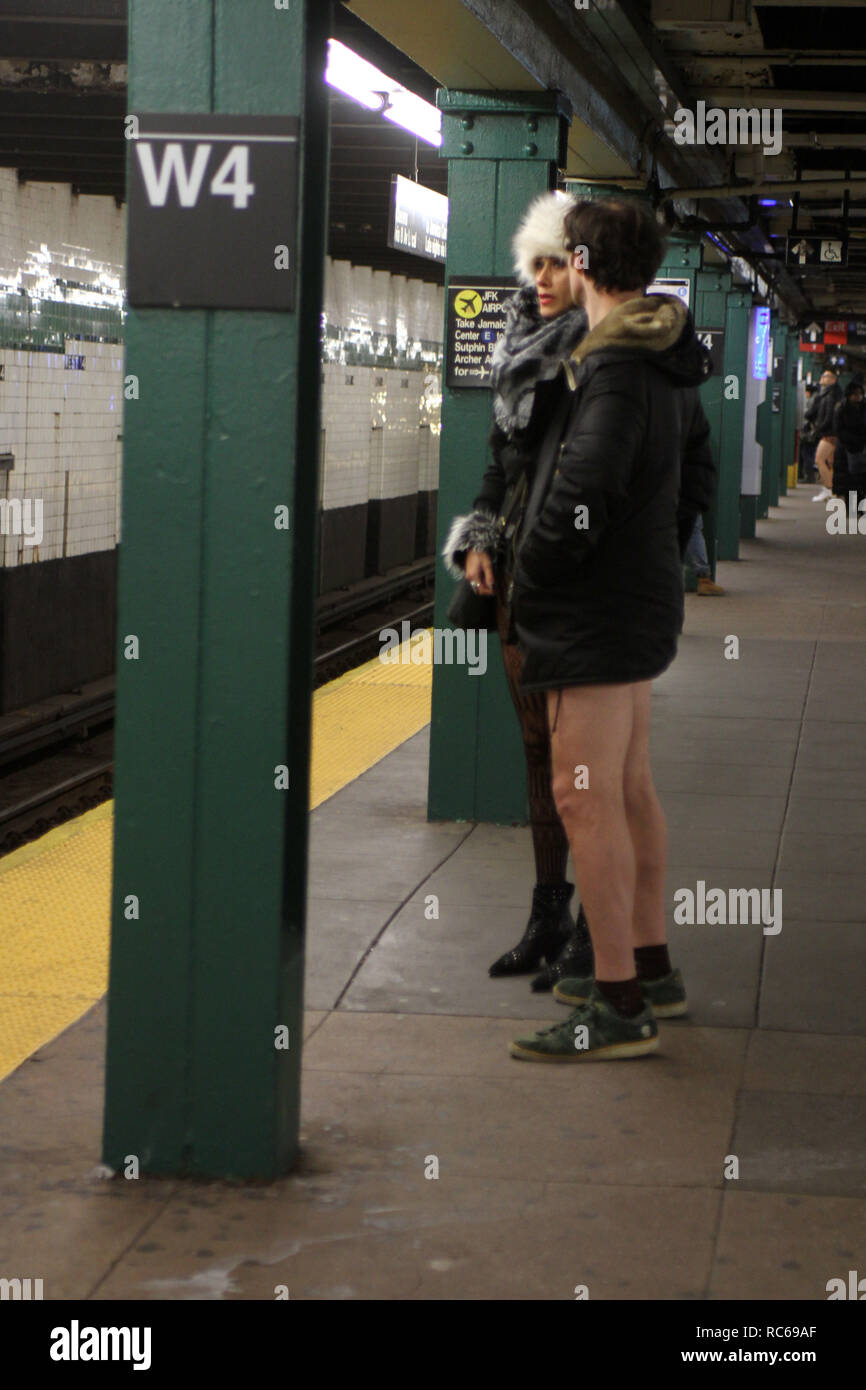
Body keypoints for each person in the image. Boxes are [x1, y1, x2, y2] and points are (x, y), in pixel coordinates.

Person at [504, 197, 712, 1062]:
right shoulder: (659, 354)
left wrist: (532, 575)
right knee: (626, 788)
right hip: (634, 603)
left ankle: (620, 1003)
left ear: (583, 263)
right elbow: (689, 474)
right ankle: (652, 966)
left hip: (593, 613)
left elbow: (582, 490)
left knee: (582, 796)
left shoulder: (617, 365)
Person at [443, 191, 595, 992]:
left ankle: (596, 931)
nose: (539, 279)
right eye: (531, 264)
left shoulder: (599, 362)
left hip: (575, 593)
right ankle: (547, 915)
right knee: (538, 754)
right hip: (518, 591)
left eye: (553, 264)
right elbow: (500, 464)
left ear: (582, 269)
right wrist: (477, 539)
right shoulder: (520, 352)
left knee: (585, 768)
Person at [807, 368, 841, 501]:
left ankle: (829, 489)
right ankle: (832, 490)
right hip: (832, 433)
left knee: (819, 460)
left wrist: (818, 430)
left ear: (833, 379)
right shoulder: (829, 393)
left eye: (826, 376)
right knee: (829, 462)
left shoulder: (831, 395)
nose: (822, 378)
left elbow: (829, 417)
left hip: (829, 433)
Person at [831, 380, 866, 500]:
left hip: (860, 449)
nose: (858, 397)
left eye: (860, 394)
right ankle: (852, 510)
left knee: (860, 481)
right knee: (849, 482)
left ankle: (860, 509)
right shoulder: (841, 408)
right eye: (855, 394)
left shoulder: (863, 408)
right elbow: (838, 429)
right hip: (846, 449)